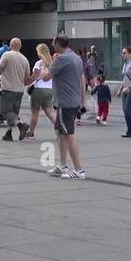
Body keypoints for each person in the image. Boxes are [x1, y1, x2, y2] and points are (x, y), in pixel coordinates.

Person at [41, 35, 85, 179]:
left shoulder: (62, 59)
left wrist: (44, 68)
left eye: (54, 43)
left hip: (65, 102)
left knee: (68, 134)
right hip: (73, 100)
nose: (53, 45)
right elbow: (81, 78)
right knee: (61, 133)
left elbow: (46, 76)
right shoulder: (76, 58)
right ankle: (63, 165)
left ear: (59, 44)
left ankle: (79, 170)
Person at [0, 37, 30, 142]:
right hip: (20, 90)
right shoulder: (25, 59)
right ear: (20, 46)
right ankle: (8, 133)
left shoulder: (6, 55)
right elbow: (27, 77)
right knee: (14, 113)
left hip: (8, 88)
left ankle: (21, 125)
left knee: (5, 111)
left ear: (11, 45)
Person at [25, 43, 56, 138]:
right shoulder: (53, 63)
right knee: (50, 112)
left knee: (35, 112)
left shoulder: (39, 63)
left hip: (38, 90)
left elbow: (34, 77)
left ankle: (31, 132)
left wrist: (25, 82)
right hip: (49, 90)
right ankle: (61, 129)